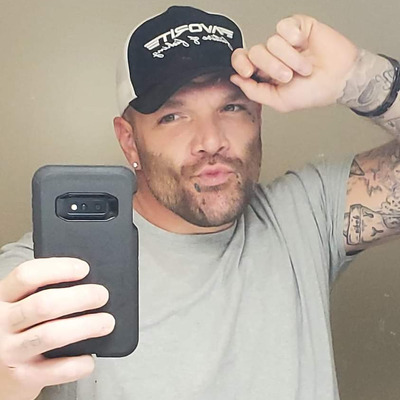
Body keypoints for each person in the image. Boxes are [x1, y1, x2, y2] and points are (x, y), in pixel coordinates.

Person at [0, 4, 399, 400]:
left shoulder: (307, 215)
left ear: (257, 116)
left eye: (231, 107)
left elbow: (364, 81)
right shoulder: (39, 274)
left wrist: (361, 77)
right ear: (129, 141)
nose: (211, 141)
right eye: (173, 117)